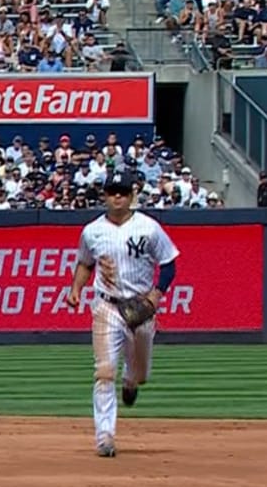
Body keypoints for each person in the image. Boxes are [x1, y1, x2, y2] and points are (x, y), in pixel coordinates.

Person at [64, 172, 180, 457]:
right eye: (113, 191)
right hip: (106, 306)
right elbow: (85, 263)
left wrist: (156, 294)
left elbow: (169, 264)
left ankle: (131, 381)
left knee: (139, 375)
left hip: (141, 308)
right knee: (104, 371)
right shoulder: (92, 231)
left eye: (123, 192)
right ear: (104, 195)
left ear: (132, 195)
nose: (118, 196)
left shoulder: (149, 228)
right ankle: (105, 435)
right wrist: (75, 289)